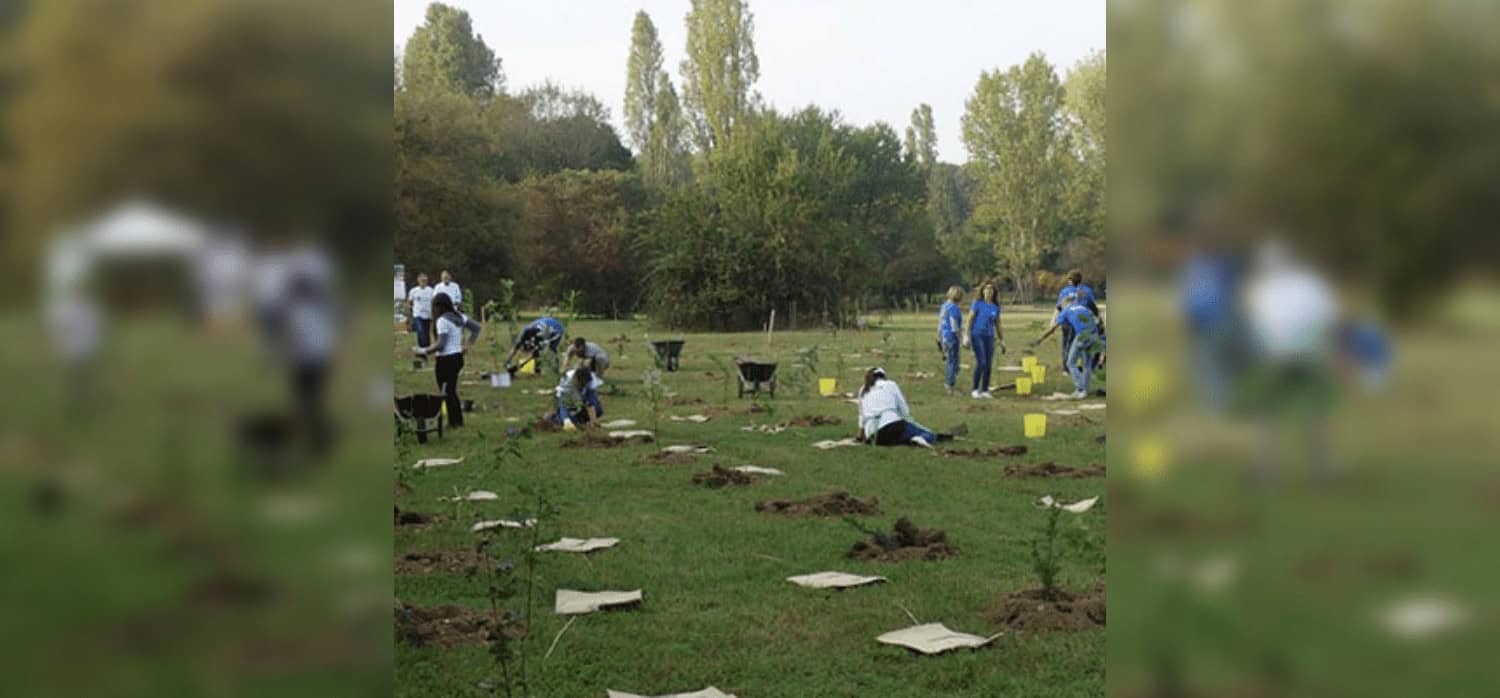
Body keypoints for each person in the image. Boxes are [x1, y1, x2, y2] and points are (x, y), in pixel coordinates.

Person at [414, 292, 481, 428]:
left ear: (438, 306)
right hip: (457, 357)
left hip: (446, 360)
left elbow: (441, 345)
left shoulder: (442, 321)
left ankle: (453, 422)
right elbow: (476, 328)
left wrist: (423, 351)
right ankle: (457, 420)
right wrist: (467, 345)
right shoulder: (459, 317)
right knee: (451, 390)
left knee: (446, 392)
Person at [857, 368, 954, 447]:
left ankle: (909, 440)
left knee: (899, 438)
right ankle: (920, 439)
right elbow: (904, 410)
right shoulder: (890, 384)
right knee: (928, 434)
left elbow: (862, 417)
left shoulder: (862, 390)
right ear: (884, 376)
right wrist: (911, 422)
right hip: (892, 425)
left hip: (873, 436)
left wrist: (861, 436)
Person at [1034, 292, 1106, 399]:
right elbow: (1096, 321)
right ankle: (1085, 391)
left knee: (1070, 362)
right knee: (1087, 364)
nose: (1061, 308)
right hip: (1094, 335)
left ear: (1065, 303)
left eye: (1061, 306)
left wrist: (1040, 339)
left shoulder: (1066, 310)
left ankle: (1080, 389)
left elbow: (1053, 329)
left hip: (1082, 336)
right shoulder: (1083, 308)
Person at [962, 282, 1005, 399]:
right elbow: (969, 320)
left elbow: (998, 324)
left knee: (988, 364)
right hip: (977, 335)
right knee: (981, 362)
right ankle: (975, 389)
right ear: (983, 291)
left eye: (991, 289)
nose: (989, 291)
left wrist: (1002, 340)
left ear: (994, 292)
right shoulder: (977, 304)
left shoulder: (995, 307)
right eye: (987, 289)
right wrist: (966, 335)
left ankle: (985, 390)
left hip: (989, 337)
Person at [1055, 270, 1100, 370]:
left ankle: (1067, 368)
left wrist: (1058, 319)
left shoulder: (1065, 291)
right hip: (1084, 322)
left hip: (1069, 321)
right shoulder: (1087, 290)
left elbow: (1060, 307)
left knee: (1067, 344)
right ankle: (1085, 365)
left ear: (1070, 280)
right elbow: (1092, 306)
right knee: (1084, 344)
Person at [937, 286, 965, 396]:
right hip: (952, 339)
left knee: (953, 362)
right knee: (953, 363)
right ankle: (950, 387)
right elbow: (954, 327)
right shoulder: (954, 308)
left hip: (945, 337)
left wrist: (939, 338)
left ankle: (950, 382)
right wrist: (962, 340)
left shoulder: (944, 306)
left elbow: (940, 324)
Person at [406, 273, 434, 351]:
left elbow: (433, 302)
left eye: (425, 280)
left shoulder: (431, 290)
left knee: (426, 332)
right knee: (420, 330)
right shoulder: (413, 291)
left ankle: (426, 347)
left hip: (428, 315)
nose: (423, 282)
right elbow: (409, 302)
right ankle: (423, 348)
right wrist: (409, 313)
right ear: (418, 280)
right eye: (422, 280)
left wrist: (433, 313)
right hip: (417, 314)